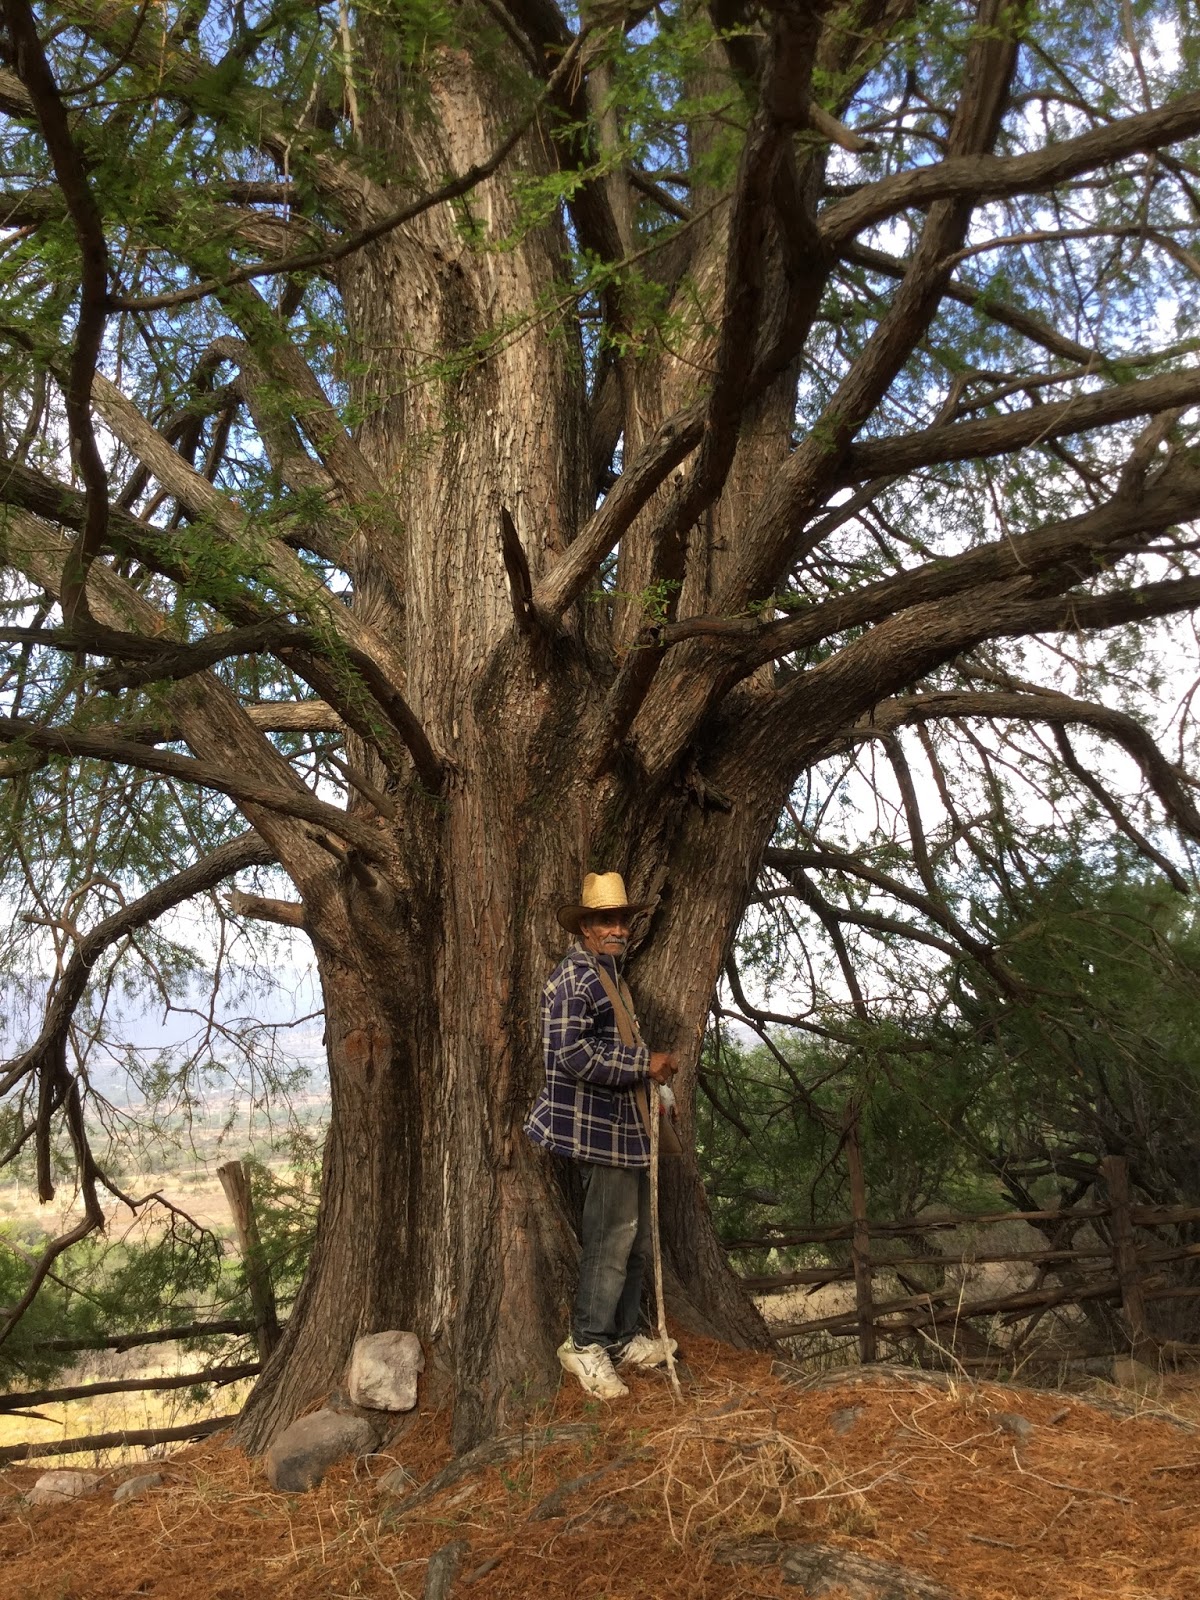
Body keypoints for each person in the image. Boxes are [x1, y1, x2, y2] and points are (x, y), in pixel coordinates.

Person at [524, 871, 681, 1399]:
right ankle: (586, 1344)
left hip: (624, 1127)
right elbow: (571, 1054)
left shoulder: (607, 974)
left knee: (634, 1240)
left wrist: (657, 1089)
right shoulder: (574, 979)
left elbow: (611, 1046)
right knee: (611, 1240)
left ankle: (621, 1338)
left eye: (622, 921)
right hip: (600, 1131)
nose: (618, 930)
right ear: (586, 927)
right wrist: (644, 1064)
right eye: (607, 920)